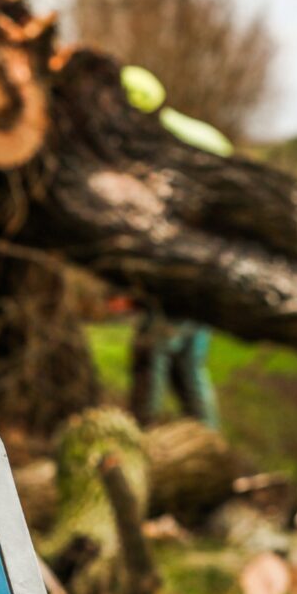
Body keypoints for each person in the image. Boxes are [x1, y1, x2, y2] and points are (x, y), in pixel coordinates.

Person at [120, 65, 229, 428]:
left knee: (153, 353)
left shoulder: (164, 144)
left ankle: (144, 436)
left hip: (188, 268)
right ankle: (209, 441)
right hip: (210, 264)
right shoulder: (192, 133)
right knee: (188, 365)